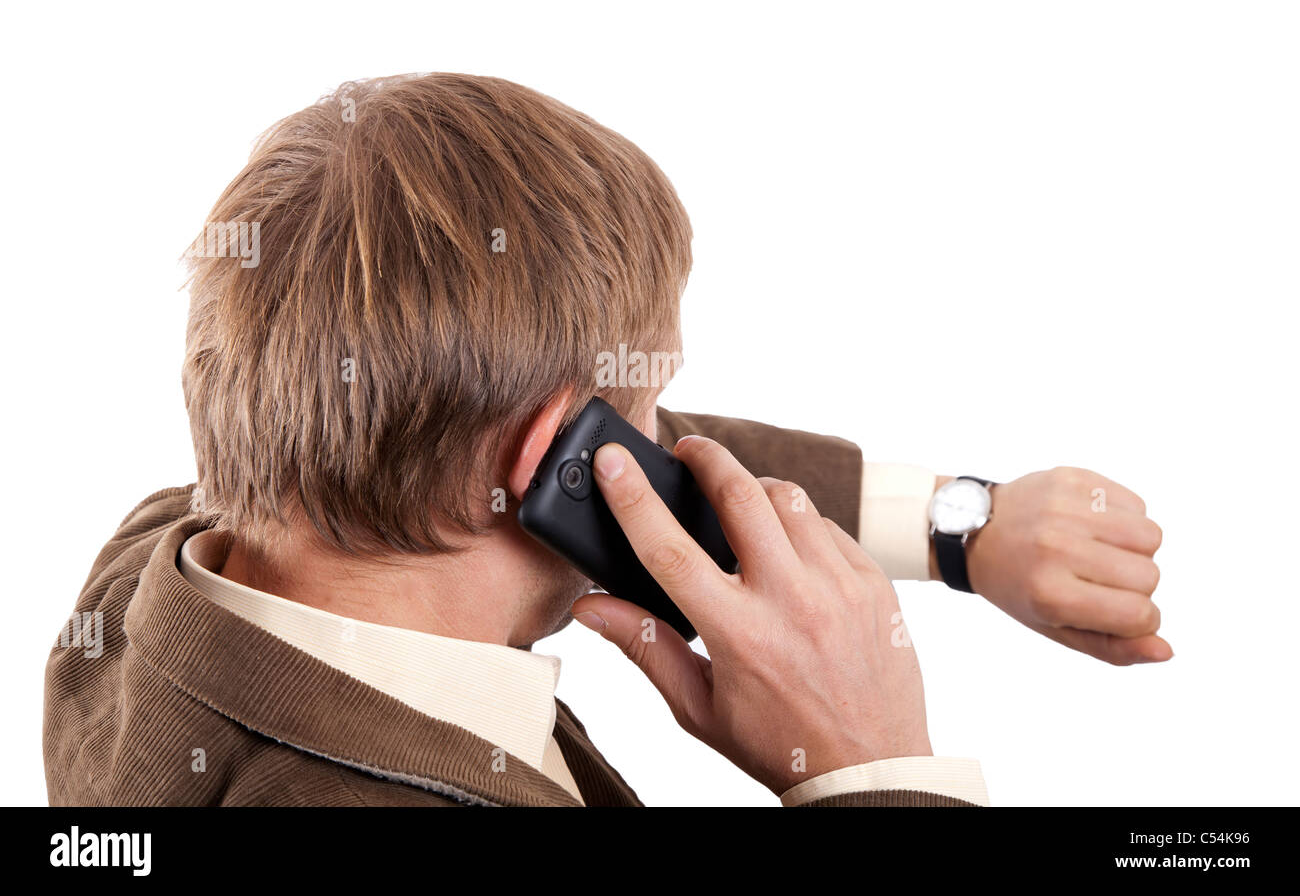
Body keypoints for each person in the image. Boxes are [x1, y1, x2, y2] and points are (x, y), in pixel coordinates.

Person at [44, 73, 1165, 806]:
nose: (660, 430)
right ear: (553, 461)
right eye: (641, 397)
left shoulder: (157, 568)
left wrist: (958, 523)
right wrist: (869, 766)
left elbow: (481, 415)